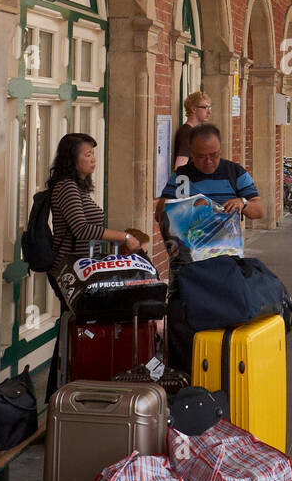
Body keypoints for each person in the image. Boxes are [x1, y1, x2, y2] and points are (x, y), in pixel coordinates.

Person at [45, 132, 146, 398]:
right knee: (74, 325)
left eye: (93, 154)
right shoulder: (66, 187)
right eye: (87, 155)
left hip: (81, 269)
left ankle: (70, 386)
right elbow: (82, 229)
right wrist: (124, 237)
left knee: (76, 326)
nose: (93, 160)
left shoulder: (76, 187)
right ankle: (65, 390)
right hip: (69, 270)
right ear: (71, 158)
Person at [156, 124, 262, 224]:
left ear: (219, 150)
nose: (208, 161)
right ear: (191, 153)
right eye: (201, 156)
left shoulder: (235, 172)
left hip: (227, 241)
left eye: (214, 155)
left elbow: (259, 211)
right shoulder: (181, 176)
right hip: (188, 241)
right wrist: (189, 206)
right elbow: (159, 215)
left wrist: (243, 203)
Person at [174, 91, 213, 170]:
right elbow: (179, 168)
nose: (209, 112)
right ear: (193, 109)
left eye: (209, 107)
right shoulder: (187, 133)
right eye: (205, 107)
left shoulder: (194, 132)